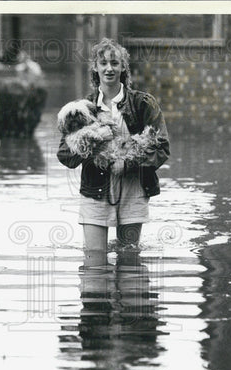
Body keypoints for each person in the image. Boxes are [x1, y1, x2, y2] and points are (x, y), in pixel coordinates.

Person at [57, 38, 170, 260]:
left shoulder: (143, 104)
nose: (109, 68)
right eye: (104, 63)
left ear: (123, 68)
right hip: (94, 188)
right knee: (94, 261)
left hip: (133, 187)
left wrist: (126, 164)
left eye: (115, 63)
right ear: (95, 68)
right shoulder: (81, 109)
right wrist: (93, 139)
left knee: (129, 262)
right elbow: (65, 155)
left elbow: (162, 147)